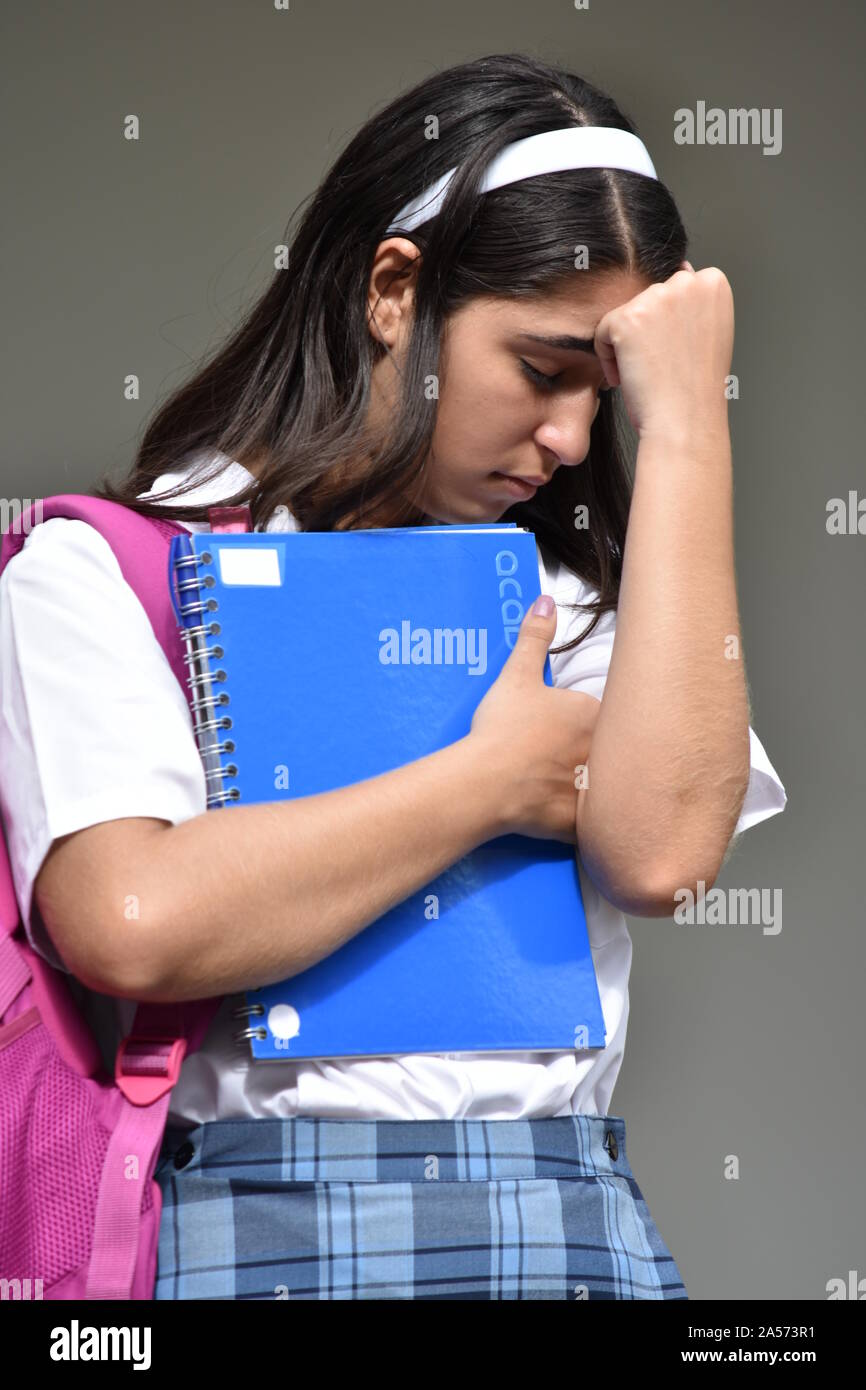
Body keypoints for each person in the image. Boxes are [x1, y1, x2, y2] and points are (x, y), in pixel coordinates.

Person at [0, 52, 786, 1299]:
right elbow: (130, 923)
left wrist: (690, 427)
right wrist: (490, 779)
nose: (573, 439)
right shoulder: (114, 573)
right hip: (248, 1223)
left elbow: (659, 855)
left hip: (566, 1226)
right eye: (540, 368)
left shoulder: (582, 602)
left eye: (609, 391)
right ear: (391, 289)